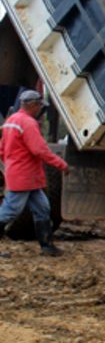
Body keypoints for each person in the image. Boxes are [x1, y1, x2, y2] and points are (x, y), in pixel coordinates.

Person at [0, 90, 70, 256]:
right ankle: (46, 246)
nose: (40, 109)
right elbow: (40, 150)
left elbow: (2, 150)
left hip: (26, 177)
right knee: (10, 211)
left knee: (43, 209)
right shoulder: (28, 123)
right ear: (32, 105)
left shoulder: (11, 121)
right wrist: (61, 164)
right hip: (24, 177)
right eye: (39, 105)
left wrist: (12, 163)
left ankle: (47, 247)